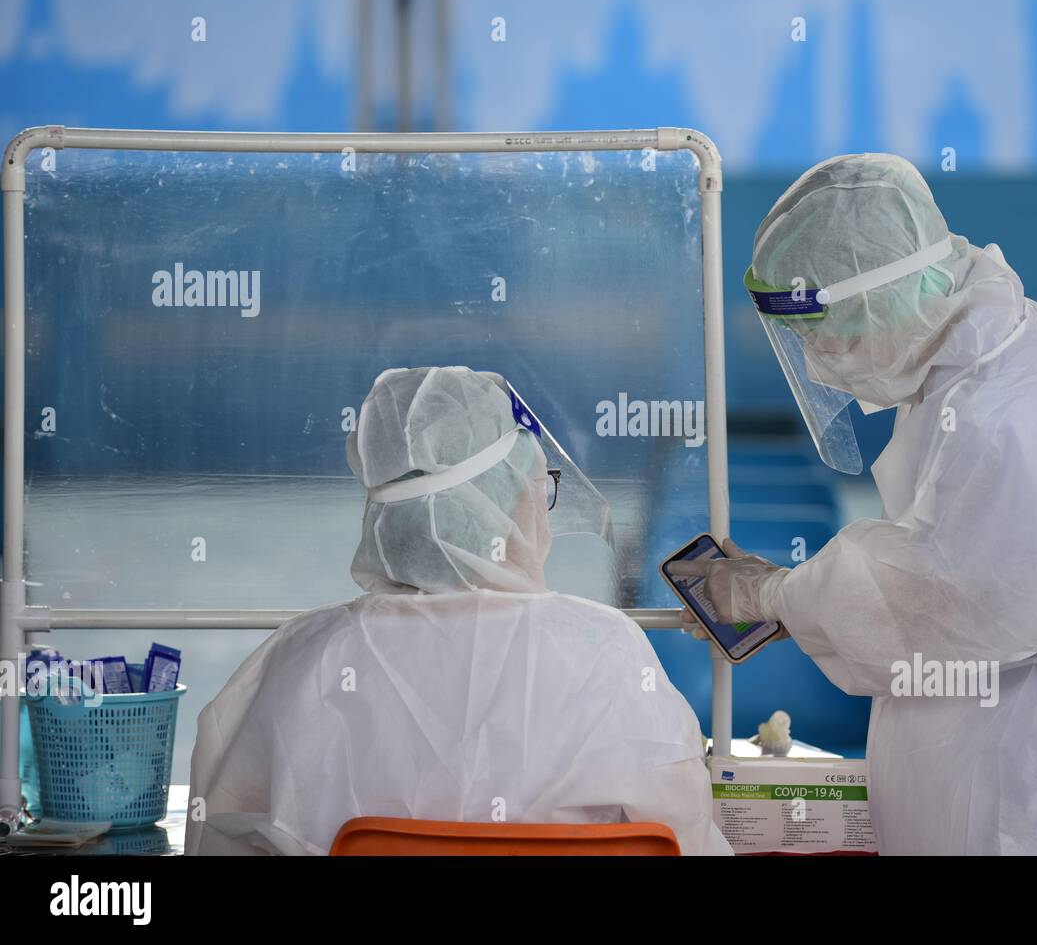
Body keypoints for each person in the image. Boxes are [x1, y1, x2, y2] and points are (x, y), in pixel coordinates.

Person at [671, 154, 1037, 855]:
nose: (815, 358)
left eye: (820, 329)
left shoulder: (1005, 406)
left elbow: (933, 594)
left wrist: (774, 594)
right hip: (1019, 740)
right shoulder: (974, 352)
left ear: (878, 296)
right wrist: (792, 605)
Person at [186, 366, 730, 856]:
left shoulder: (302, 660)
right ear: (515, 499)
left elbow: (220, 834)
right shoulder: (608, 651)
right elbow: (682, 837)